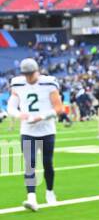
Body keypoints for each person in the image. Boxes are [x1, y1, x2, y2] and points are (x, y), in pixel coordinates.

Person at [7, 56, 62, 210]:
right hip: (27, 130)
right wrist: (19, 115)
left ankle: (50, 191)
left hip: (46, 129)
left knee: (47, 163)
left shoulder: (49, 83)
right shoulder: (18, 83)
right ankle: (31, 197)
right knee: (29, 163)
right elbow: (11, 106)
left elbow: (59, 108)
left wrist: (41, 117)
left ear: (37, 71)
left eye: (31, 73)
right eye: (26, 74)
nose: (29, 77)